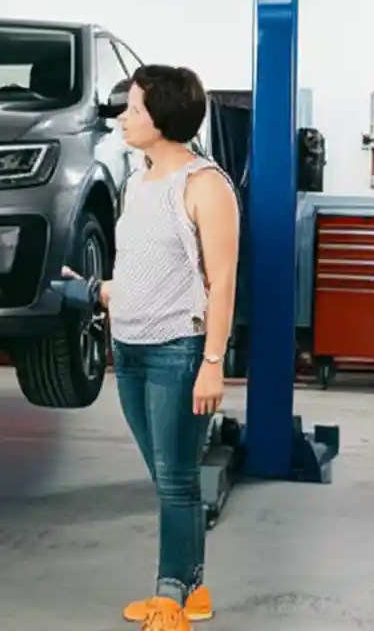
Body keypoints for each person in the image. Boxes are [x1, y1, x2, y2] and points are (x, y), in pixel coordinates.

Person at [68, 65, 239, 631]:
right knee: (168, 477)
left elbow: (221, 281)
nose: (123, 117)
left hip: (178, 351)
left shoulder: (204, 185)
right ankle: (193, 588)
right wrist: (97, 290)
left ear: (162, 119)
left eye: (134, 108)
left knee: (176, 480)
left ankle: (170, 596)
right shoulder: (136, 184)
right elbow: (143, 269)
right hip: (131, 348)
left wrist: (212, 363)